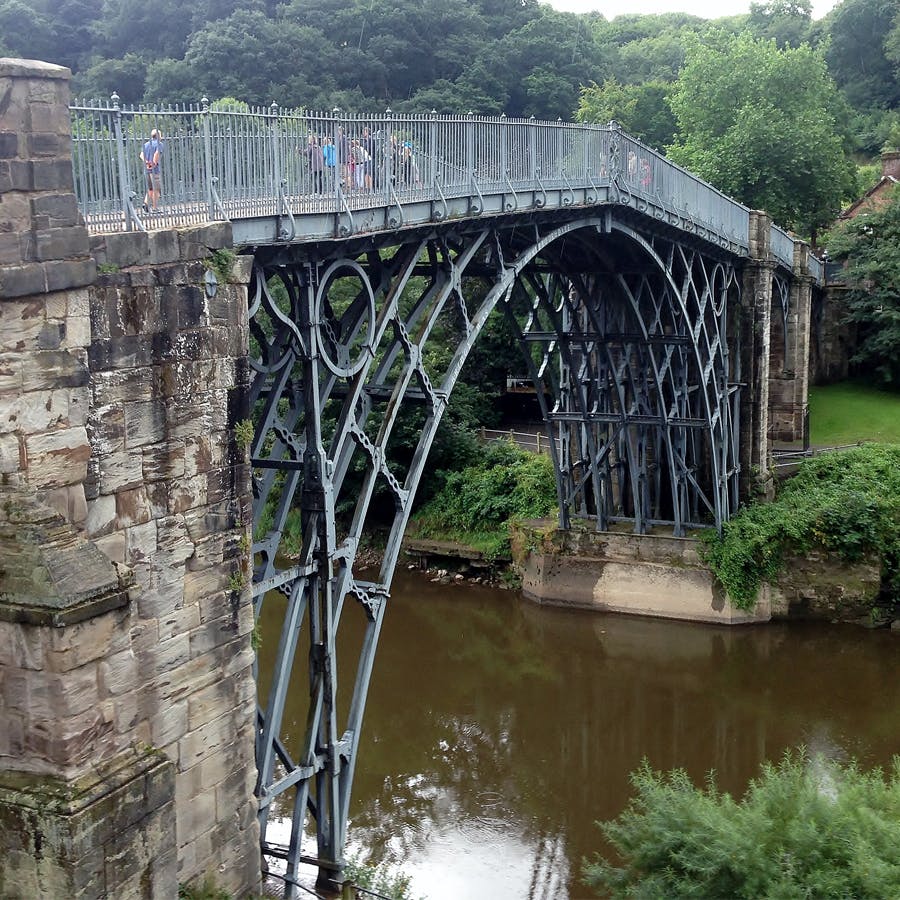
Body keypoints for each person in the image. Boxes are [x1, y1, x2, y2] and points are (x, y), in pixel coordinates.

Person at [140, 128, 163, 213]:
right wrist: (153, 163)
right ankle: (155, 207)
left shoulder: (146, 144)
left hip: (146, 169)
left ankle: (145, 204)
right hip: (155, 170)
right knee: (156, 189)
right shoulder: (159, 144)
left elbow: (141, 155)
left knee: (150, 188)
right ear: (159, 136)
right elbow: (157, 154)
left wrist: (146, 162)